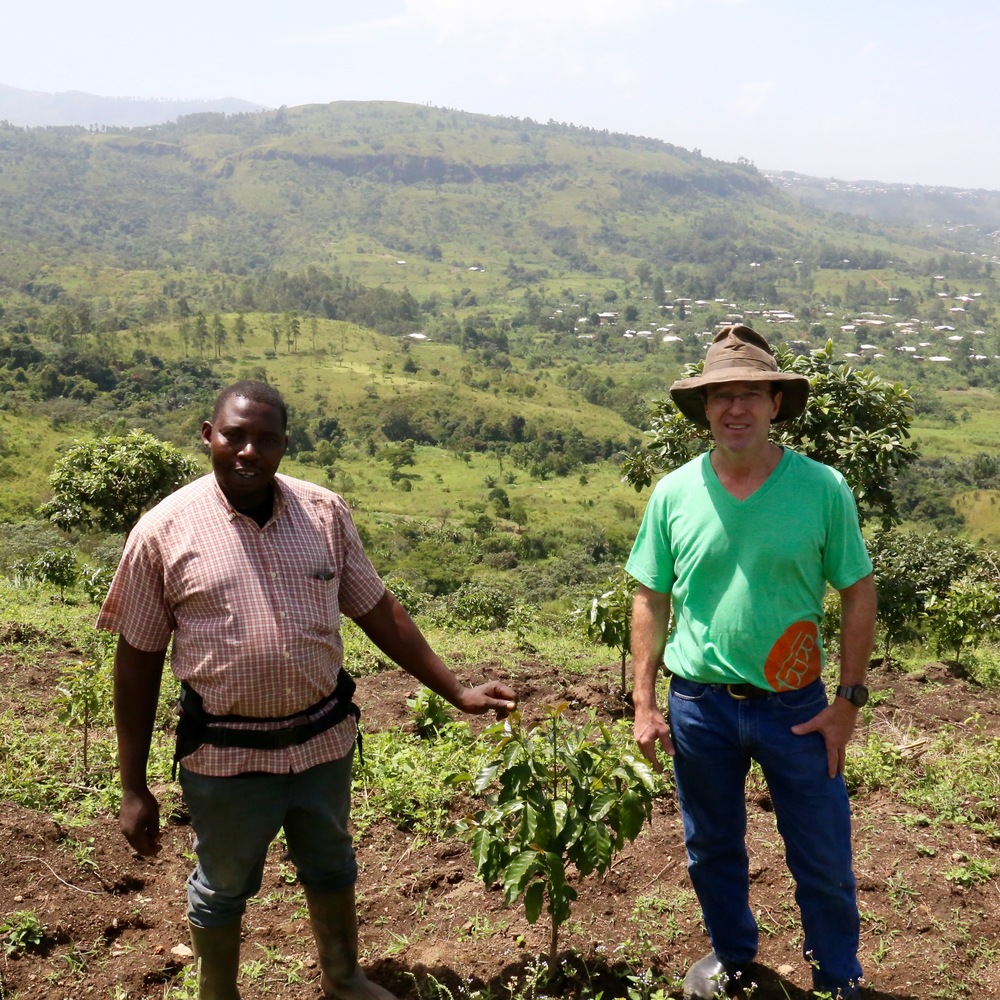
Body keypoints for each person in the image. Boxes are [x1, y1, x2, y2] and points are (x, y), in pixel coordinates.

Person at [98, 380, 517, 1000]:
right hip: (227, 756)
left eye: (265, 440)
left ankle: (344, 978)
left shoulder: (322, 514)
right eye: (234, 436)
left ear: (284, 445)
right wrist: (133, 785)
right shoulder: (163, 532)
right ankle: (219, 992)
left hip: (323, 744)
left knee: (331, 863)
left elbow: (377, 609)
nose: (248, 451)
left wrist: (455, 690)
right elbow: (136, 663)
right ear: (208, 436)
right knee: (223, 883)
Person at [626, 326, 876, 1000]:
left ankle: (837, 975)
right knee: (710, 848)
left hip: (797, 706)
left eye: (748, 395)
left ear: (774, 403)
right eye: (719, 397)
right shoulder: (675, 493)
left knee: (822, 855)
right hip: (699, 704)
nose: (734, 408)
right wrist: (646, 702)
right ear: (703, 410)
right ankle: (734, 956)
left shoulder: (822, 488)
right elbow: (649, 595)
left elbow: (857, 589)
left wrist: (848, 700)